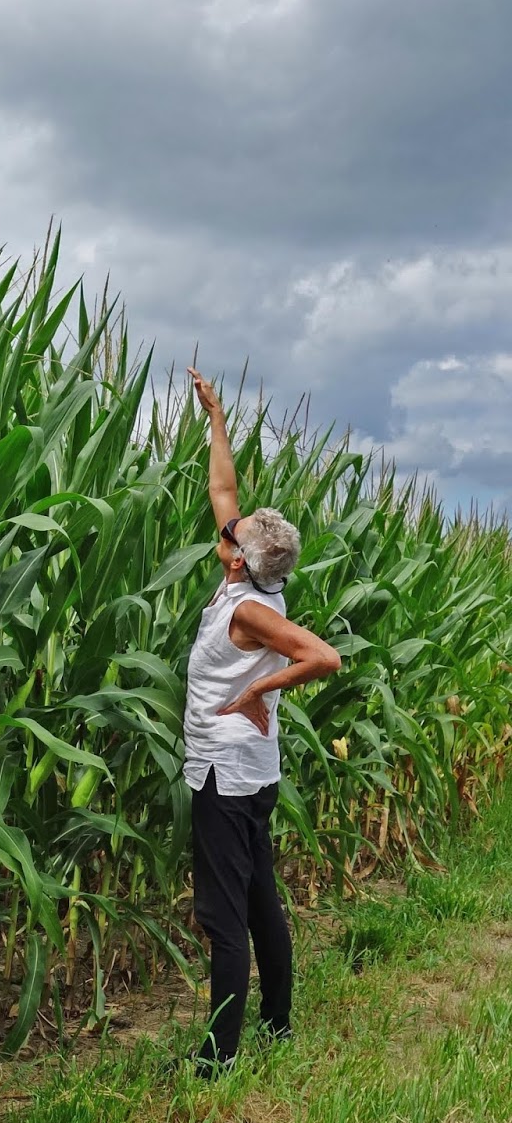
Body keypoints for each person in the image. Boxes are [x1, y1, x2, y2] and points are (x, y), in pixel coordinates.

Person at [182, 366, 342, 1078]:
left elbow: (325, 657)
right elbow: (225, 490)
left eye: (232, 535)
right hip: (254, 771)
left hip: (226, 772)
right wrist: (215, 417)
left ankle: (218, 1058)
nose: (224, 527)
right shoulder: (250, 582)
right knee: (259, 897)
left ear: (242, 560)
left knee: (224, 918)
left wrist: (261, 690)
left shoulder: (250, 610)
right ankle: (276, 1023)